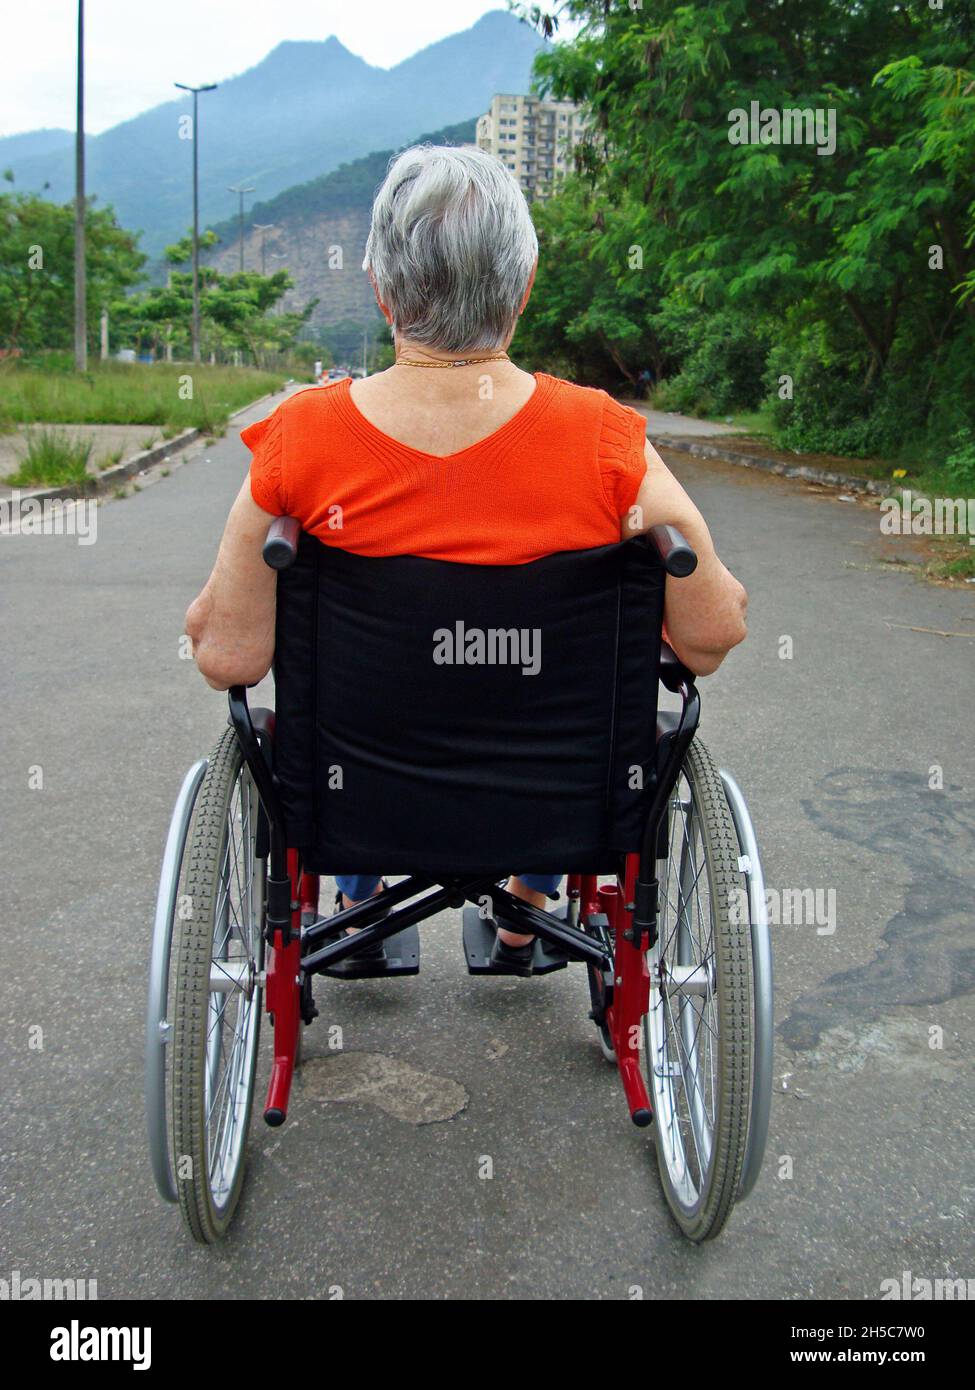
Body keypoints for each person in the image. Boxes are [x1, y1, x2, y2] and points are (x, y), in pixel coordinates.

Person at [185, 144, 747, 972]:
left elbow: (229, 655)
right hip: (562, 806)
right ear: (520, 290)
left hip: (358, 805)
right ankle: (523, 911)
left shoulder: (300, 440)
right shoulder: (603, 441)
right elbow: (709, 636)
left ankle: (358, 898)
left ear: (381, 290)